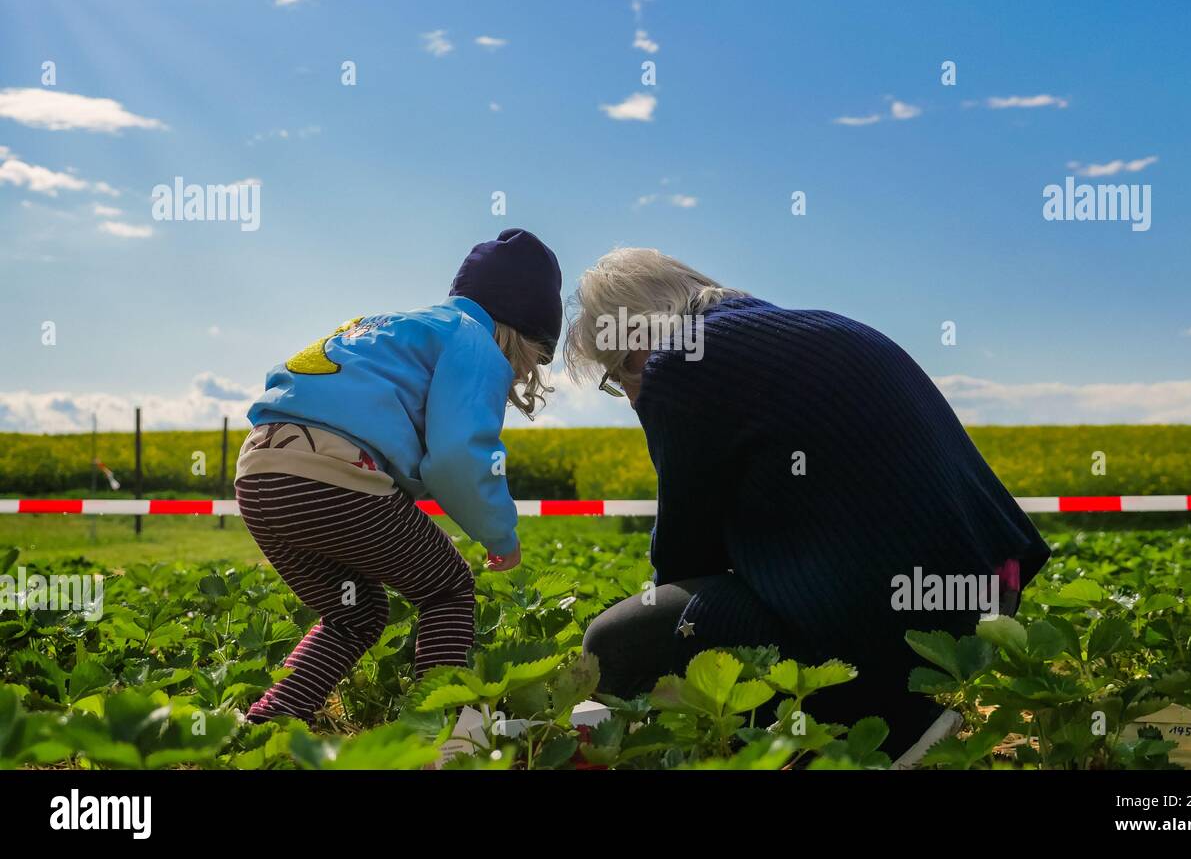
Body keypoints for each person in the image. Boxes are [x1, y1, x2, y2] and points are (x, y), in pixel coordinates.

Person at [565, 247, 1050, 757]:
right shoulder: (814, 327)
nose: (629, 393)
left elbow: (685, 557)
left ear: (630, 338)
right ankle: (912, 708)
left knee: (617, 643)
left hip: (886, 633)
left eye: (618, 376)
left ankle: (879, 729)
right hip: (988, 599)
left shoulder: (679, 362)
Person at [234, 228, 560, 724]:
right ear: (519, 335)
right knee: (447, 588)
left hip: (260, 474)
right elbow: (457, 456)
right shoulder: (474, 343)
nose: (520, 376)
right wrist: (499, 532)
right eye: (531, 362)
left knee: (353, 614)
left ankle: (268, 722)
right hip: (334, 475)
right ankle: (437, 733)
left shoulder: (388, 325)